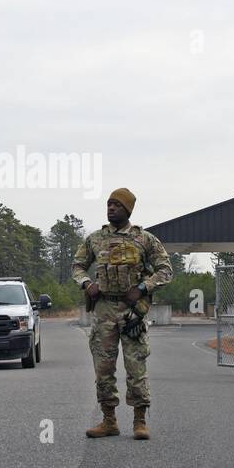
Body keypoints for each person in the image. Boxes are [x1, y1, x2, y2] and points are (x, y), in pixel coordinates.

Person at [71, 188, 172, 440]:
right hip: (104, 308)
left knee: (136, 366)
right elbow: (77, 265)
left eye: (117, 204)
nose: (111, 208)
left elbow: (165, 270)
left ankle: (140, 422)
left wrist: (142, 288)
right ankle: (109, 421)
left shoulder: (144, 239)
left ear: (128, 209)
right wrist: (87, 284)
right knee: (103, 367)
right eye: (109, 204)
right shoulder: (95, 239)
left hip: (131, 313)